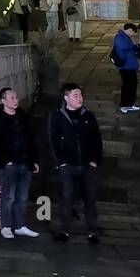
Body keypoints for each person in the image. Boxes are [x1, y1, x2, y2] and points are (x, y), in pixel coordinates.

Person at [48, 83, 103, 243]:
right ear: (66, 98)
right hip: (67, 164)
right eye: (75, 95)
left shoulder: (88, 115)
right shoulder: (57, 116)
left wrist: (95, 160)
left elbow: (96, 139)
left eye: (80, 95)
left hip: (87, 164)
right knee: (67, 197)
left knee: (90, 198)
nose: (80, 98)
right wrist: (60, 162)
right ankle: (64, 230)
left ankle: (92, 231)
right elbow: (52, 140)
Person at [0, 87, 39, 239]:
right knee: (8, 196)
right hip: (8, 164)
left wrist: (34, 160)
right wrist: (4, 161)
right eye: (11, 98)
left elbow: (31, 139)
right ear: (3, 101)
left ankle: (20, 225)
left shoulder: (23, 116)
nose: (15, 100)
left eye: (16, 97)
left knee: (22, 196)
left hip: (25, 161)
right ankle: (6, 226)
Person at [112, 22, 140, 113]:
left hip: (129, 66)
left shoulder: (125, 37)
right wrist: (134, 45)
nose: (133, 34)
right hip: (125, 67)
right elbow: (124, 46)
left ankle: (130, 104)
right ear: (129, 30)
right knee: (128, 86)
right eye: (133, 32)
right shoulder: (120, 37)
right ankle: (125, 104)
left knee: (132, 85)